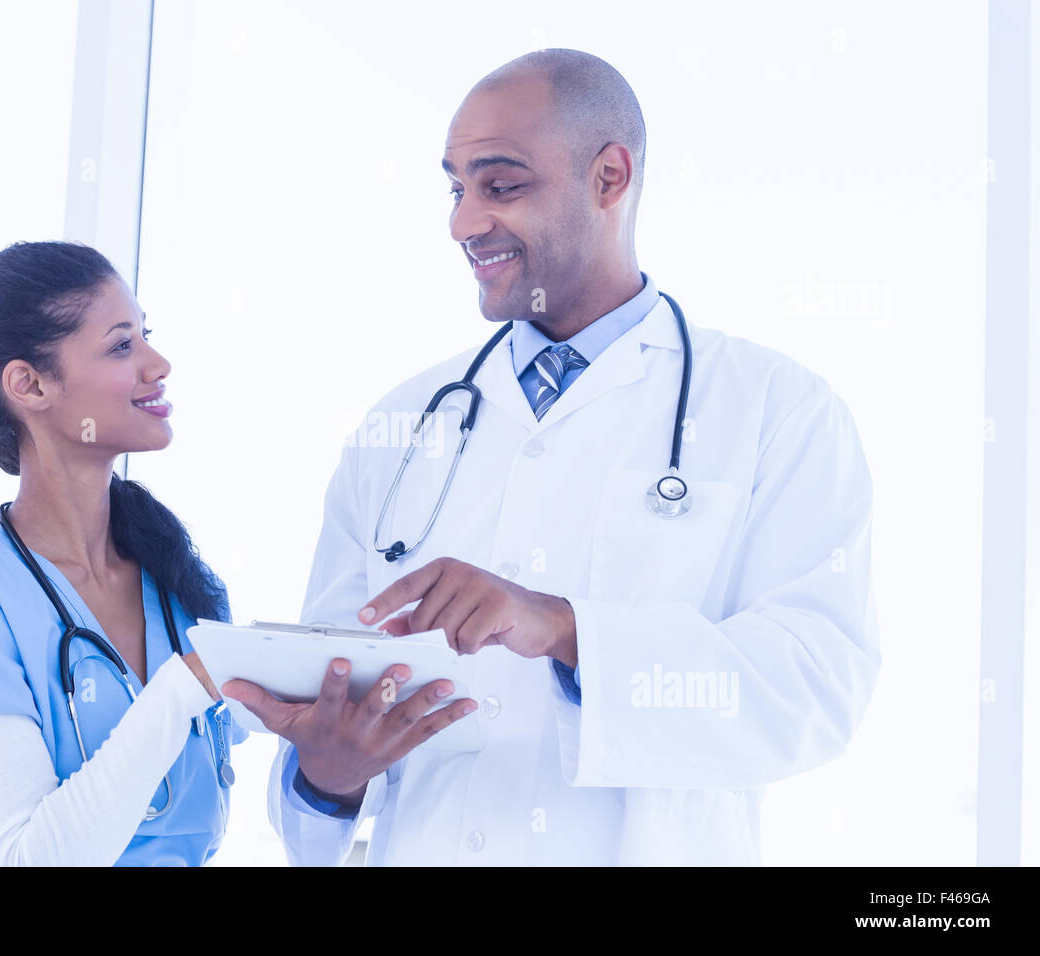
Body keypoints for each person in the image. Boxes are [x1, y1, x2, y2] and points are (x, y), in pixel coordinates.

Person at [224, 49, 880, 866]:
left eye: (501, 186)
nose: (463, 223)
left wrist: (568, 631)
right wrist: (329, 773)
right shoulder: (404, 424)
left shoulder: (777, 410)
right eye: (456, 188)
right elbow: (326, 747)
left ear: (610, 178)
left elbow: (815, 690)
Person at [0, 240, 244, 866]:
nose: (157, 364)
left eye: (145, 336)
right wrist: (182, 687)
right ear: (29, 385)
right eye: (120, 345)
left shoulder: (175, 579)